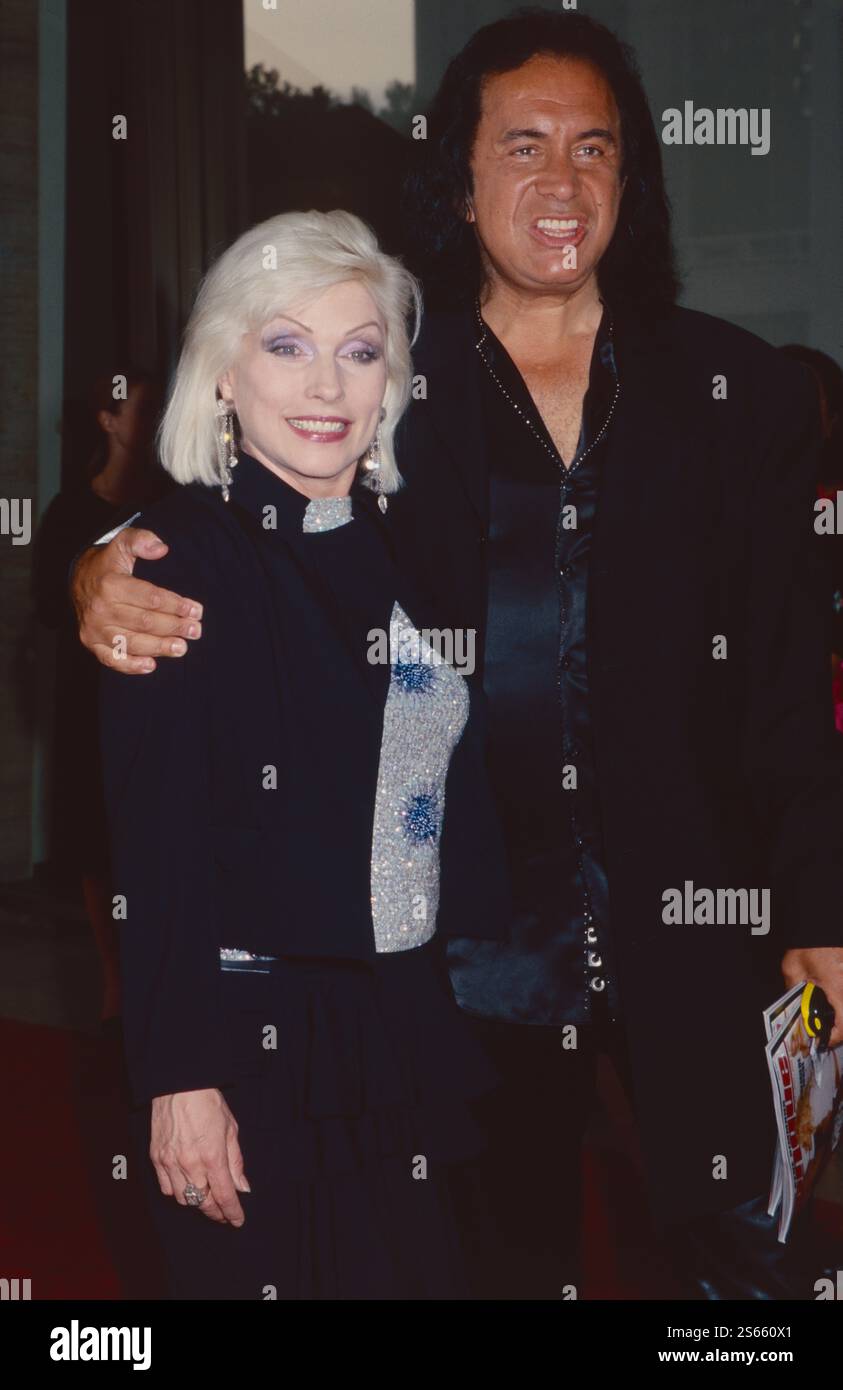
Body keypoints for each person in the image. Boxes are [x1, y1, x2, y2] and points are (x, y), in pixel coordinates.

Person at [71, 11, 843, 1299]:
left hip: (704, 922)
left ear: (631, 176)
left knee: (753, 1276)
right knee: (497, 1270)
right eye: (523, 145)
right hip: (468, 946)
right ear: (464, 172)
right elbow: (252, 516)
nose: (561, 182)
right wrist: (103, 558)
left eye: (595, 149)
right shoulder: (387, 384)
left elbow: (780, 678)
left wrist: (822, 900)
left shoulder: (736, 390)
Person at [95, 209, 509, 1299]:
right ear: (223, 373)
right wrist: (181, 1079)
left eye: (359, 350)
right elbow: (159, 843)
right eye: (286, 345)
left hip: (395, 1024)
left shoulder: (398, 545)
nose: (326, 383)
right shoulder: (179, 558)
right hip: (249, 1043)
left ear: (390, 385)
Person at [32, 367, 164, 1026]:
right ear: (108, 422)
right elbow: (48, 610)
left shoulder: (174, 503)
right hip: (90, 699)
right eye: (136, 411)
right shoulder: (70, 512)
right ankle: (115, 978)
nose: (149, 423)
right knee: (95, 841)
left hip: (159, 693)